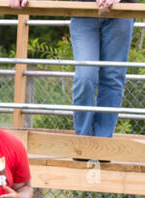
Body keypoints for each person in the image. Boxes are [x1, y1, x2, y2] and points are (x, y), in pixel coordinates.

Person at [11, 0, 134, 137]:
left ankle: (103, 141)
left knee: (112, 77)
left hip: (122, 9)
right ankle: (82, 140)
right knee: (85, 75)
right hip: (83, 10)